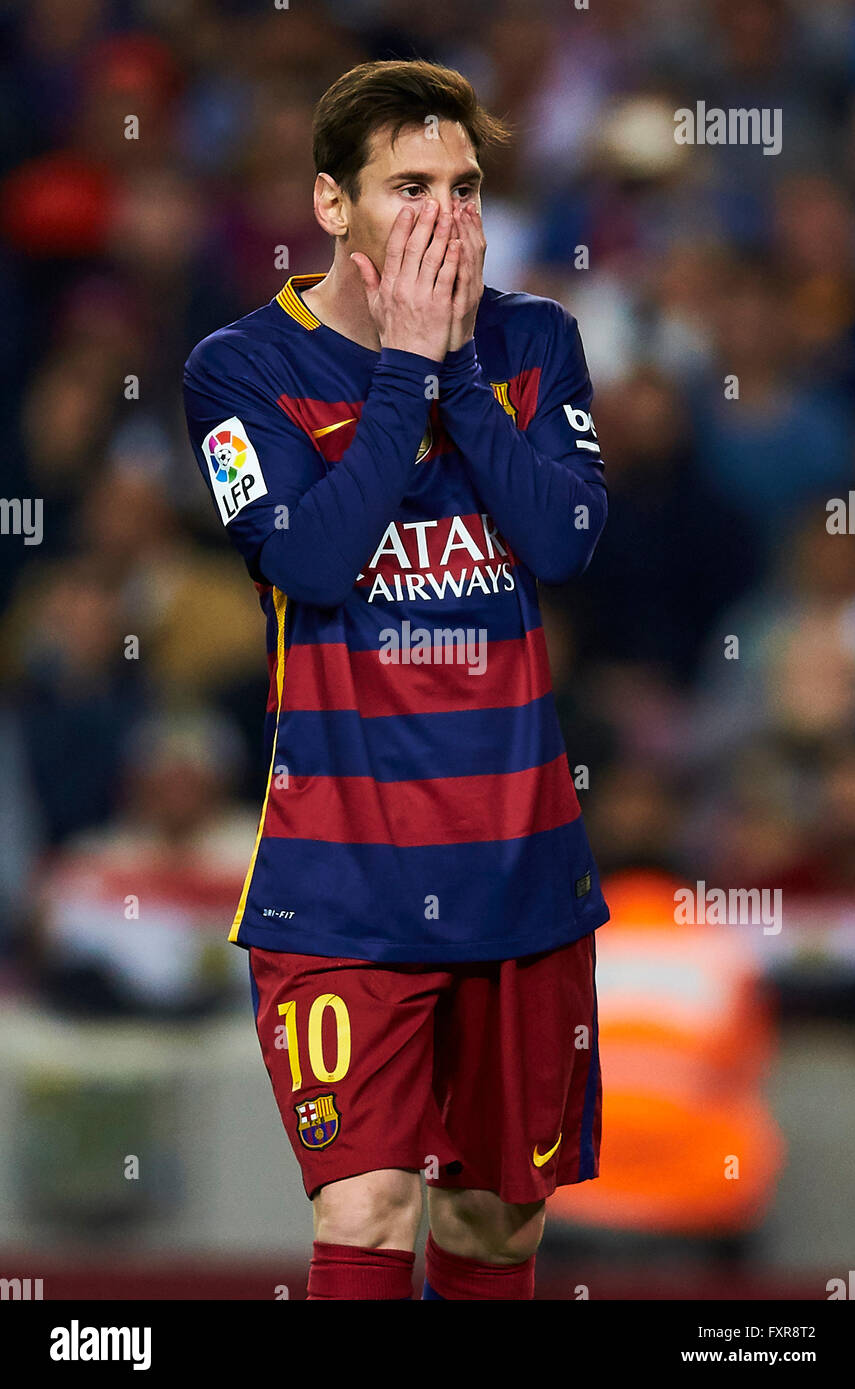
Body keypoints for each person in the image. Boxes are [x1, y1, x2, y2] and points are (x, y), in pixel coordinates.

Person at [183, 58, 609, 1301]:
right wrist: (406, 372)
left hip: (520, 868)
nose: (447, 218)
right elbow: (308, 558)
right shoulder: (240, 367)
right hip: (339, 879)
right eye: (409, 186)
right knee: (367, 1207)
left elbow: (566, 541)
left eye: (466, 188)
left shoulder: (535, 344)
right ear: (331, 206)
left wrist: (456, 370)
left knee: (492, 1228)